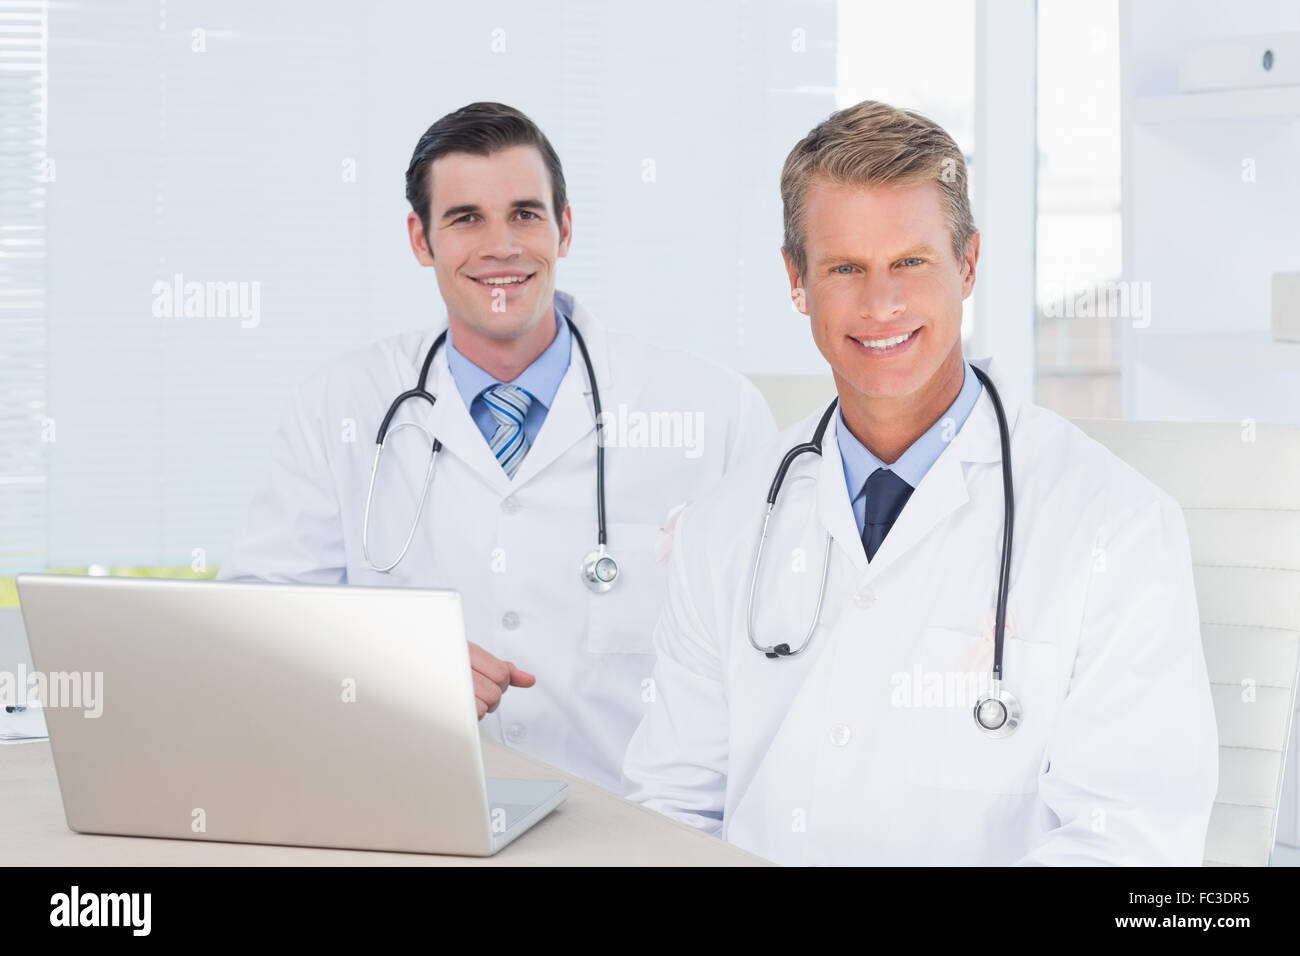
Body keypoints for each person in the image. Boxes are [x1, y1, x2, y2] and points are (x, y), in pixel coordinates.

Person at [621, 100, 1218, 864]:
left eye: (911, 262)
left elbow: (1130, 843)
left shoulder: (1116, 528)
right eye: (845, 268)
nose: (881, 304)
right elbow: (670, 812)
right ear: (796, 279)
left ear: (967, 265)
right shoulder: (724, 527)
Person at [219, 102, 777, 793]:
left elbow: (779, 643)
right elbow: (249, 631)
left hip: (638, 828)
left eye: (525, 214)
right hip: (412, 812)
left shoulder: (711, 409)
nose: (501, 247)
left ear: (564, 228)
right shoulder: (340, 406)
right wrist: (393, 667)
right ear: (421, 240)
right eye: (464, 219)